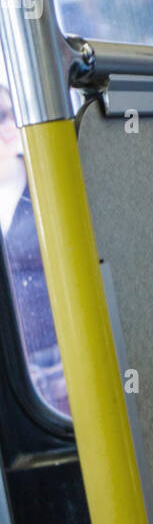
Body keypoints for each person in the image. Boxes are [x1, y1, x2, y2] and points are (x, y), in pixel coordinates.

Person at [0, 84, 69, 419]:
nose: (6, 127)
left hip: (63, 354)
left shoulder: (46, 177)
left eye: (6, 115)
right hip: (11, 365)